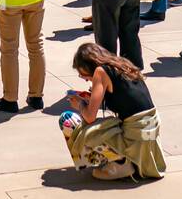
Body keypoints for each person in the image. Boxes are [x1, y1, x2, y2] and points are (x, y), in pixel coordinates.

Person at [59, 43, 165, 181]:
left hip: (134, 138)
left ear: (88, 65)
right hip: (147, 136)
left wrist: (79, 104)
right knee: (99, 126)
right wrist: (91, 98)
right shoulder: (122, 65)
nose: (85, 78)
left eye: (82, 73)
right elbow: (128, 100)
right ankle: (121, 161)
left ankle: (121, 162)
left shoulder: (100, 72)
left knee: (67, 120)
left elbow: (90, 117)